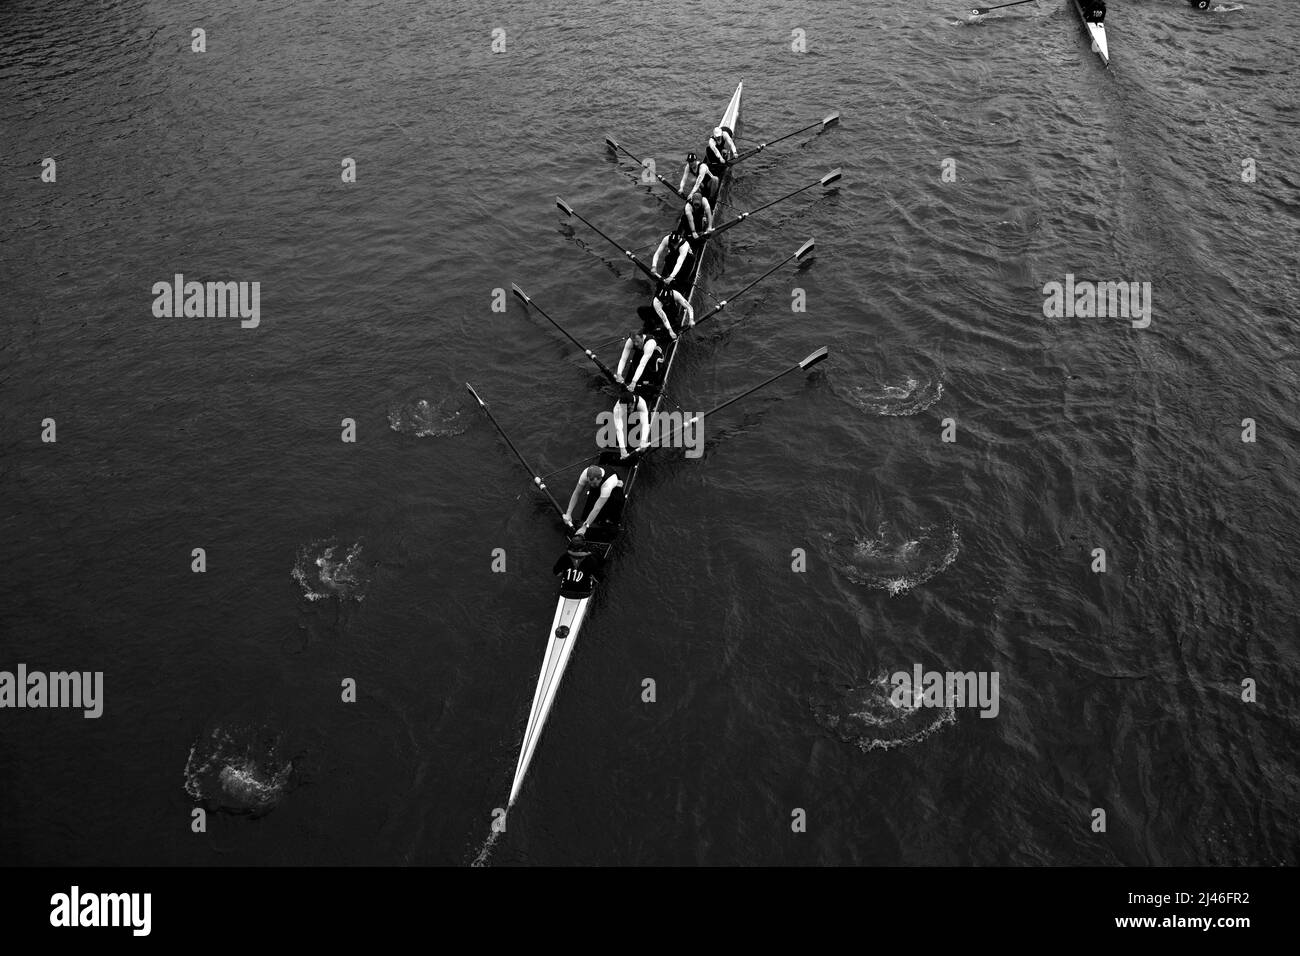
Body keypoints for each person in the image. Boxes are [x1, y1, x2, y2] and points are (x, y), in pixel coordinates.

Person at [563, 465, 623, 537]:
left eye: (594, 483)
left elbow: (597, 507)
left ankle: (612, 523)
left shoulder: (608, 483)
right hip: (600, 485)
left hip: (613, 488)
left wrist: (585, 527)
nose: (591, 485)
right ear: (587, 478)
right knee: (589, 507)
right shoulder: (585, 474)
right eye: (589, 483)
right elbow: (577, 493)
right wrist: (568, 514)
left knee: (614, 504)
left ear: (600, 478)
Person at [615, 327, 663, 392]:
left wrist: (634, 382)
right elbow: (623, 359)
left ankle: (655, 383)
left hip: (654, 356)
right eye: (634, 341)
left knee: (649, 368)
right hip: (642, 353)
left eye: (638, 341)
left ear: (642, 337)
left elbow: (642, 365)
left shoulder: (650, 343)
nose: (635, 344)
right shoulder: (630, 341)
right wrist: (619, 374)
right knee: (635, 365)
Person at [612, 386, 650, 460]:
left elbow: (644, 423)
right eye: (624, 408)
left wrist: (643, 441)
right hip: (624, 419)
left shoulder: (641, 402)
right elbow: (619, 429)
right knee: (621, 441)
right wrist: (622, 449)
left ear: (633, 403)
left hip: (638, 417)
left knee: (643, 449)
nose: (627, 410)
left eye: (629, 408)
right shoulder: (617, 408)